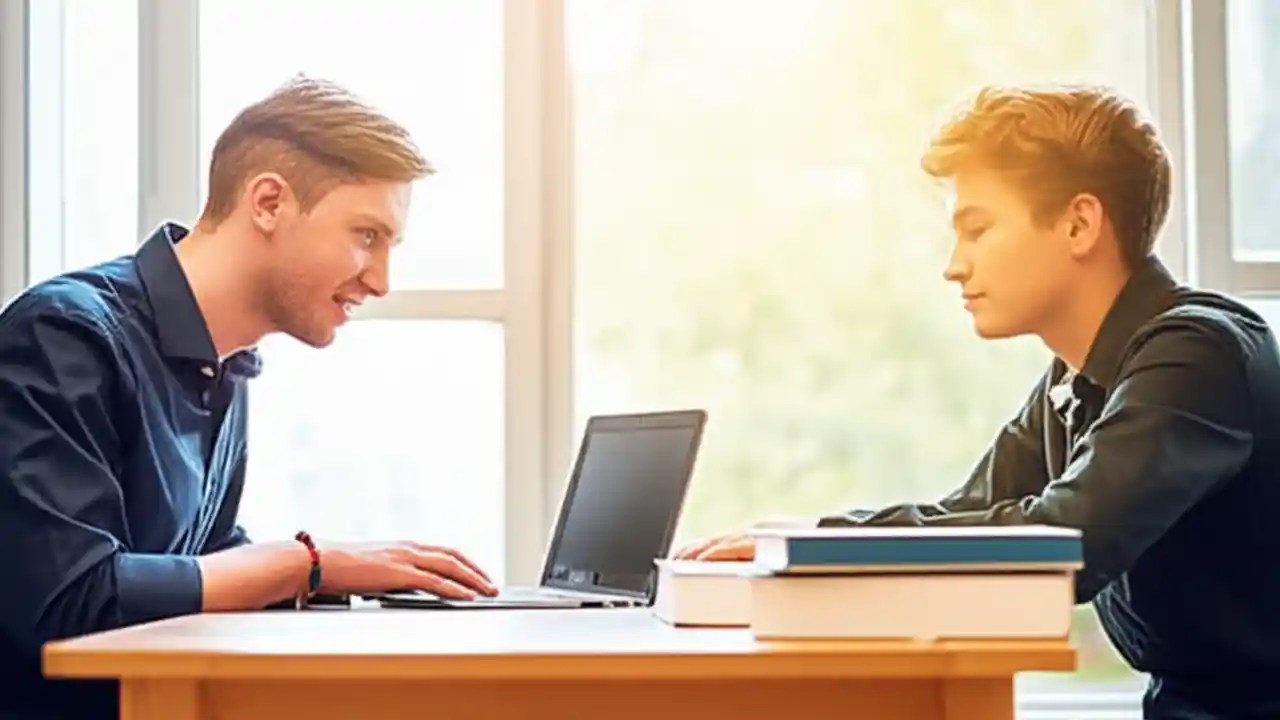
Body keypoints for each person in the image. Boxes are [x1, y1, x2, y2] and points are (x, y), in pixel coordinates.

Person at [676, 85, 1280, 719]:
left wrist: (813, 543)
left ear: (1079, 224)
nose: (954, 266)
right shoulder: (1073, 381)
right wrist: (800, 546)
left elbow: (1062, 540)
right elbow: (971, 516)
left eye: (977, 229)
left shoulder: (1196, 352)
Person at [0, 76, 499, 720]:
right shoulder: (63, 335)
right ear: (268, 202)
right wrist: (310, 563)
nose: (380, 281)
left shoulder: (223, 364)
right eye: (366, 236)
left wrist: (352, 579)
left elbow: (204, 568)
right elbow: (71, 603)